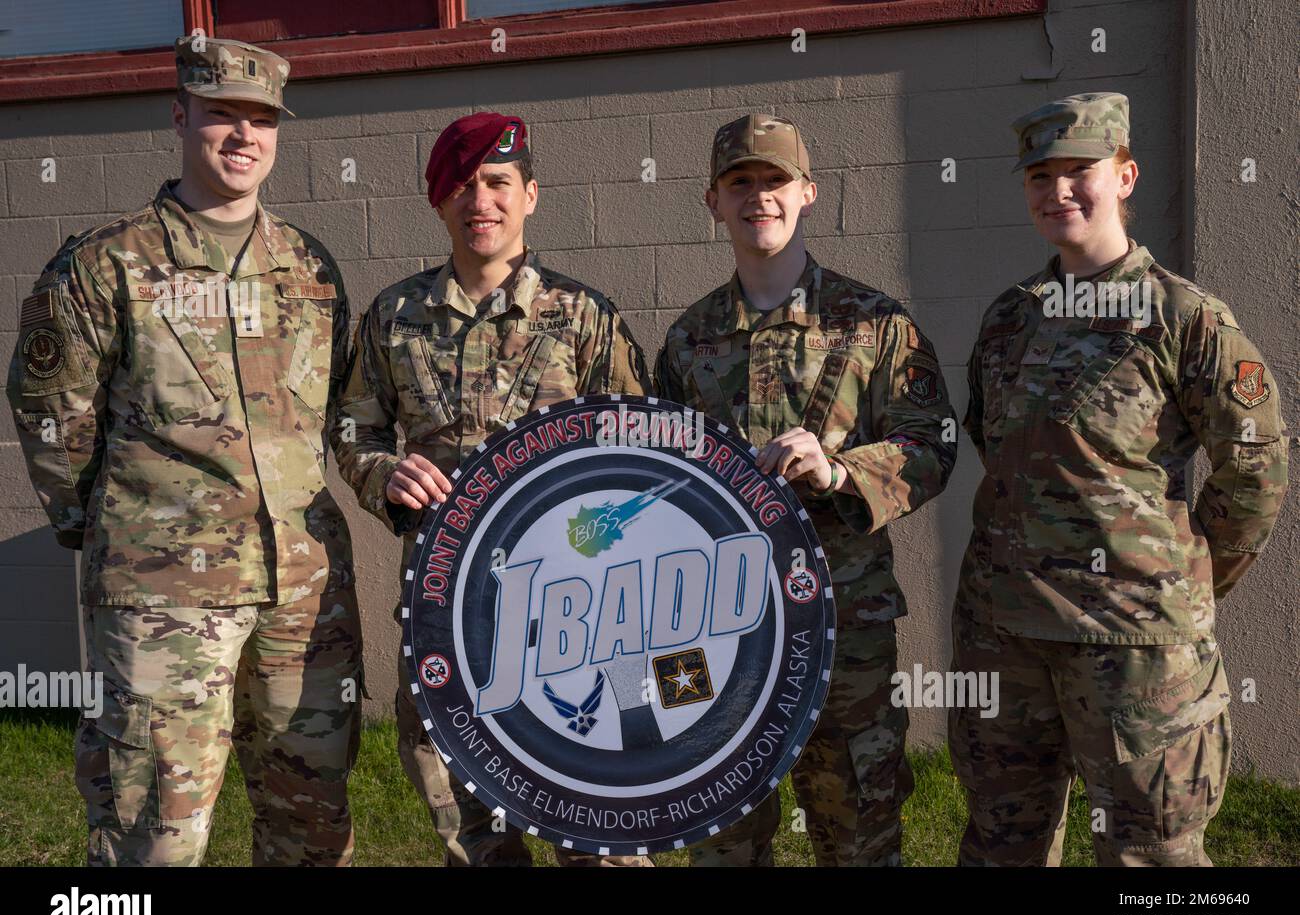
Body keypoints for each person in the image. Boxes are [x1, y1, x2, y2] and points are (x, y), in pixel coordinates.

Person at [6, 37, 362, 866]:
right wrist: (111, 528)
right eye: (222, 114)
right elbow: (49, 412)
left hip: (303, 598)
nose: (243, 135)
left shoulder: (309, 266)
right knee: (153, 834)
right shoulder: (105, 264)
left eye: (261, 119)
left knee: (311, 820)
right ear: (180, 115)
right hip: (161, 600)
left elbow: (336, 410)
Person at [950, 92, 1289, 866]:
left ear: (1126, 175)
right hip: (1005, 631)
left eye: (1081, 171)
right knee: (1003, 842)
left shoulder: (1181, 316)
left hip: (1132, 645)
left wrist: (1186, 576)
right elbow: (993, 441)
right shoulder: (1011, 317)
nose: (1058, 190)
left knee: (1153, 853)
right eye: (1041, 174)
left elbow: (1256, 463)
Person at [334, 112, 653, 866]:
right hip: (451, 600)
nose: (482, 200)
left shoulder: (583, 317)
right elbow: (352, 431)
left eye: (498, 182)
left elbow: (646, 444)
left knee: (599, 822)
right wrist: (386, 472)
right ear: (439, 202)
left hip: (576, 606)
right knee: (473, 825)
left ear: (531, 194)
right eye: (464, 185)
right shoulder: (395, 316)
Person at [654, 114, 958, 866]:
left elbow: (935, 444)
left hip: (841, 627)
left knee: (858, 831)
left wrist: (841, 470)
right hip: (717, 630)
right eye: (741, 183)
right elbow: (657, 484)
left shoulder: (875, 324)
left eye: (776, 181)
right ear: (713, 201)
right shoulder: (688, 341)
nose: (760, 197)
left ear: (809, 193)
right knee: (720, 834)